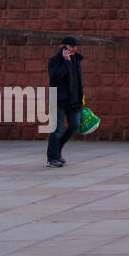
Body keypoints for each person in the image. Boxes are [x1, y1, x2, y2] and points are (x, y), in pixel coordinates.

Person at [46, 36, 85, 168]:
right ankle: (52, 157)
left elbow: (78, 82)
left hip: (73, 100)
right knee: (57, 128)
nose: (75, 48)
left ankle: (56, 150)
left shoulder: (76, 60)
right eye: (72, 46)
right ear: (64, 46)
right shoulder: (54, 60)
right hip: (58, 99)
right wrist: (66, 62)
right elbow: (55, 77)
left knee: (74, 124)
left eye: (76, 46)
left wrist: (81, 98)